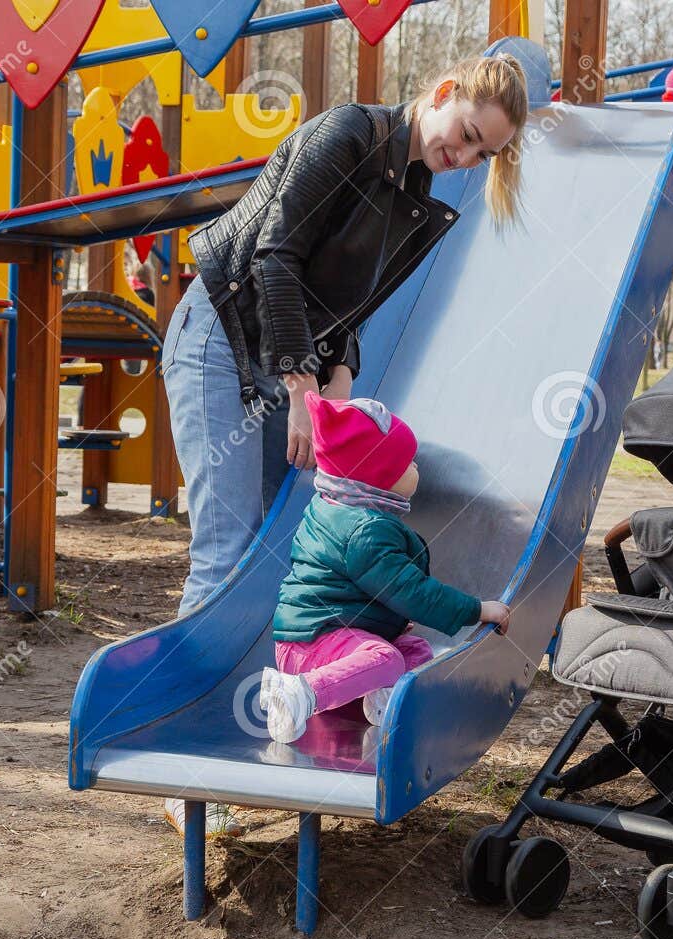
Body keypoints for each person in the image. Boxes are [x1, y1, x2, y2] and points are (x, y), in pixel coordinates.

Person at [158, 54, 529, 837]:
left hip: (279, 363)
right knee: (225, 549)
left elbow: (349, 311)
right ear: (440, 94)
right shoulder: (348, 136)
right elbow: (273, 256)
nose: (462, 158)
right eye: (464, 135)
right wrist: (300, 385)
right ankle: (183, 761)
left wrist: (336, 390)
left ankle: (260, 725)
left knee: (273, 553)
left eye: (480, 154)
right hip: (219, 338)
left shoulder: (417, 201)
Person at [258, 395, 510, 744]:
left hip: (332, 633)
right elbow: (411, 591)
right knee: (386, 658)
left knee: (416, 651)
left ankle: (381, 699)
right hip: (311, 643)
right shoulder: (365, 531)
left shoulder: (338, 505)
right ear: (377, 477)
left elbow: (355, 588)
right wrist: (476, 609)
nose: (417, 468)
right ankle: (300, 694)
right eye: (407, 464)